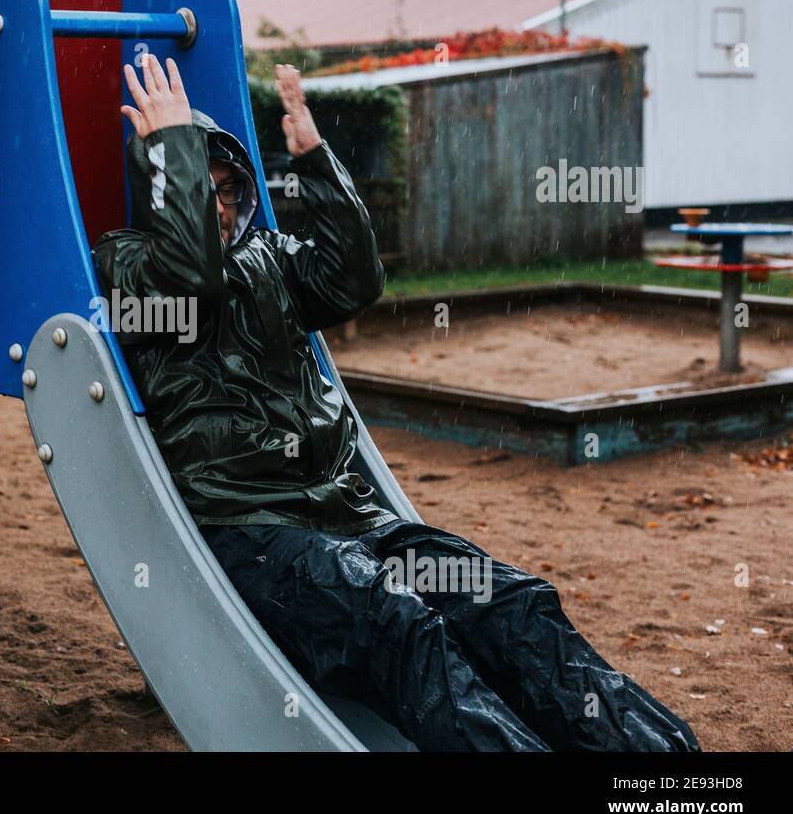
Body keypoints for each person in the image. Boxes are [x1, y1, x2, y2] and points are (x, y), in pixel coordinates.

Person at [92, 54, 699, 752]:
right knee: (393, 621)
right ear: (169, 194)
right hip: (250, 533)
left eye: (230, 190)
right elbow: (189, 285)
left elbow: (354, 282)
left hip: (351, 515)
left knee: (508, 603)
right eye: (204, 191)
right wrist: (172, 151)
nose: (221, 207)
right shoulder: (126, 269)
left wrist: (317, 161)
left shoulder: (269, 259)